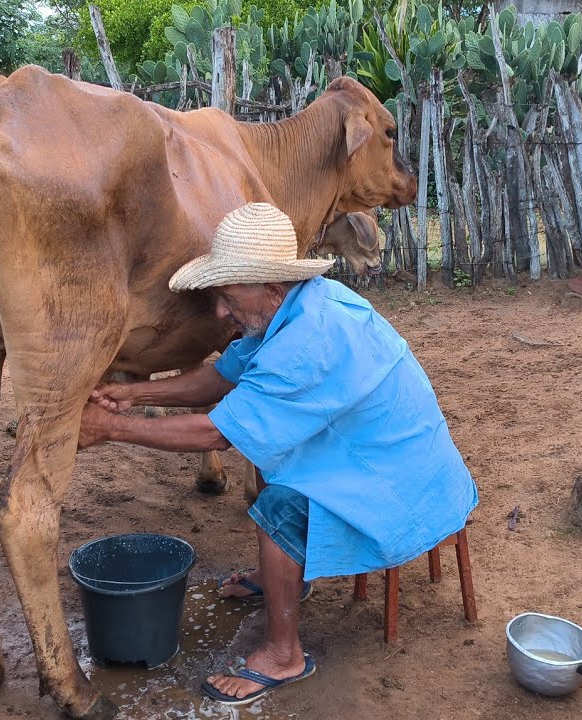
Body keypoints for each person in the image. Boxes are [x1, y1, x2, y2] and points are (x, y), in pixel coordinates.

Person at [79, 202, 478, 706]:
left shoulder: (306, 341)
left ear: (271, 289)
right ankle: (281, 579)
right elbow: (221, 378)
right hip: (375, 451)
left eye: (228, 298)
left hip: (399, 479)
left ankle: (283, 654)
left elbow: (215, 435)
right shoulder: (294, 307)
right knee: (273, 464)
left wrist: (112, 428)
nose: (221, 312)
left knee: (279, 507)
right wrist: (136, 395)